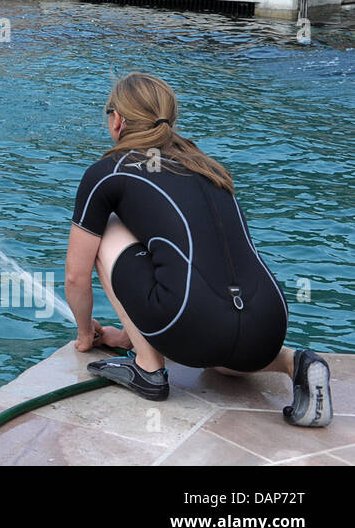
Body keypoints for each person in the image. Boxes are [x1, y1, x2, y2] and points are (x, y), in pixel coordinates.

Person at [66, 73, 331, 426]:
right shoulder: (205, 165)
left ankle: (148, 368)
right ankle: (295, 362)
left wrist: (86, 335)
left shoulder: (109, 171)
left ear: (118, 120)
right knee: (222, 362)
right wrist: (127, 335)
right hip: (267, 326)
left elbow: (76, 275)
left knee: (108, 231)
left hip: (193, 325)